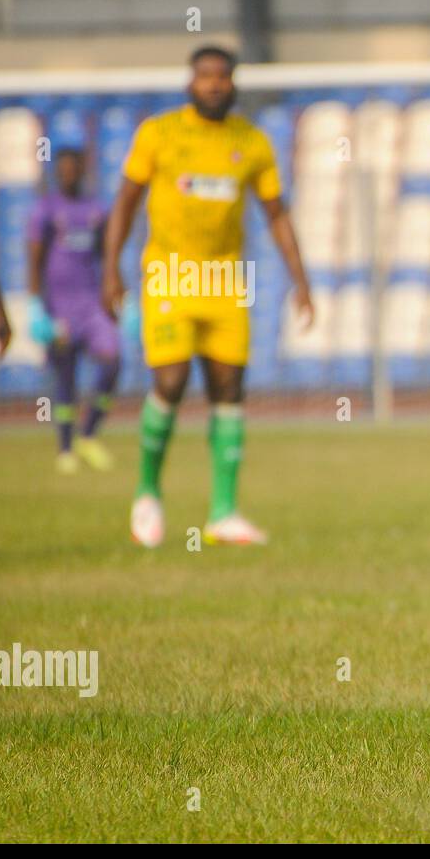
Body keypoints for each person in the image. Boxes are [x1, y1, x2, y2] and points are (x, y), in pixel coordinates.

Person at [103, 45, 313, 547]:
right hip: (170, 278)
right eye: (205, 76)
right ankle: (148, 492)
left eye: (222, 77)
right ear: (190, 82)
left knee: (228, 390)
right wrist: (110, 269)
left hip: (225, 284)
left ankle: (223, 512)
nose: (214, 84)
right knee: (171, 383)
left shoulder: (252, 143)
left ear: (234, 84)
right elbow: (125, 203)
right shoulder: (159, 134)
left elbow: (276, 215)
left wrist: (301, 281)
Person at [27, 144, 118, 474]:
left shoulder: (96, 209)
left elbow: (107, 255)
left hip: (92, 304)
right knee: (65, 375)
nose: (69, 174)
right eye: (63, 169)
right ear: (57, 173)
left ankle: (89, 433)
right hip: (60, 305)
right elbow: (35, 257)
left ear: (82, 170)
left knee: (111, 360)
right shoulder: (46, 209)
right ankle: (65, 447)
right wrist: (36, 304)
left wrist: (118, 292)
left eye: (73, 168)